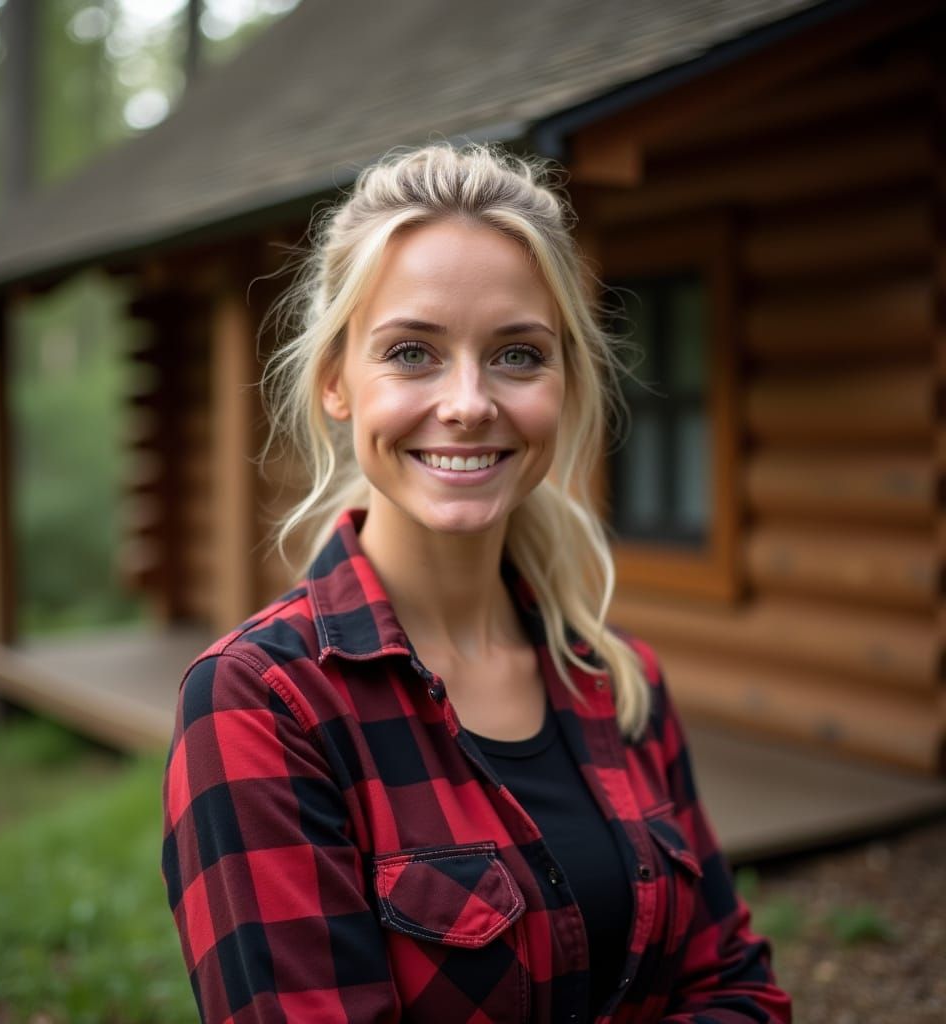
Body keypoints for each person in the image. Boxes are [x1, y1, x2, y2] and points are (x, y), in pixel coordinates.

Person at [161, 143, 792, 1024]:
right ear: (337, 383)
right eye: (413, 352)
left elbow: (738, 989)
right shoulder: (261, 705)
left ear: (564, 382)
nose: (468, 402)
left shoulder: (619, 683)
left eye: (517, 355)